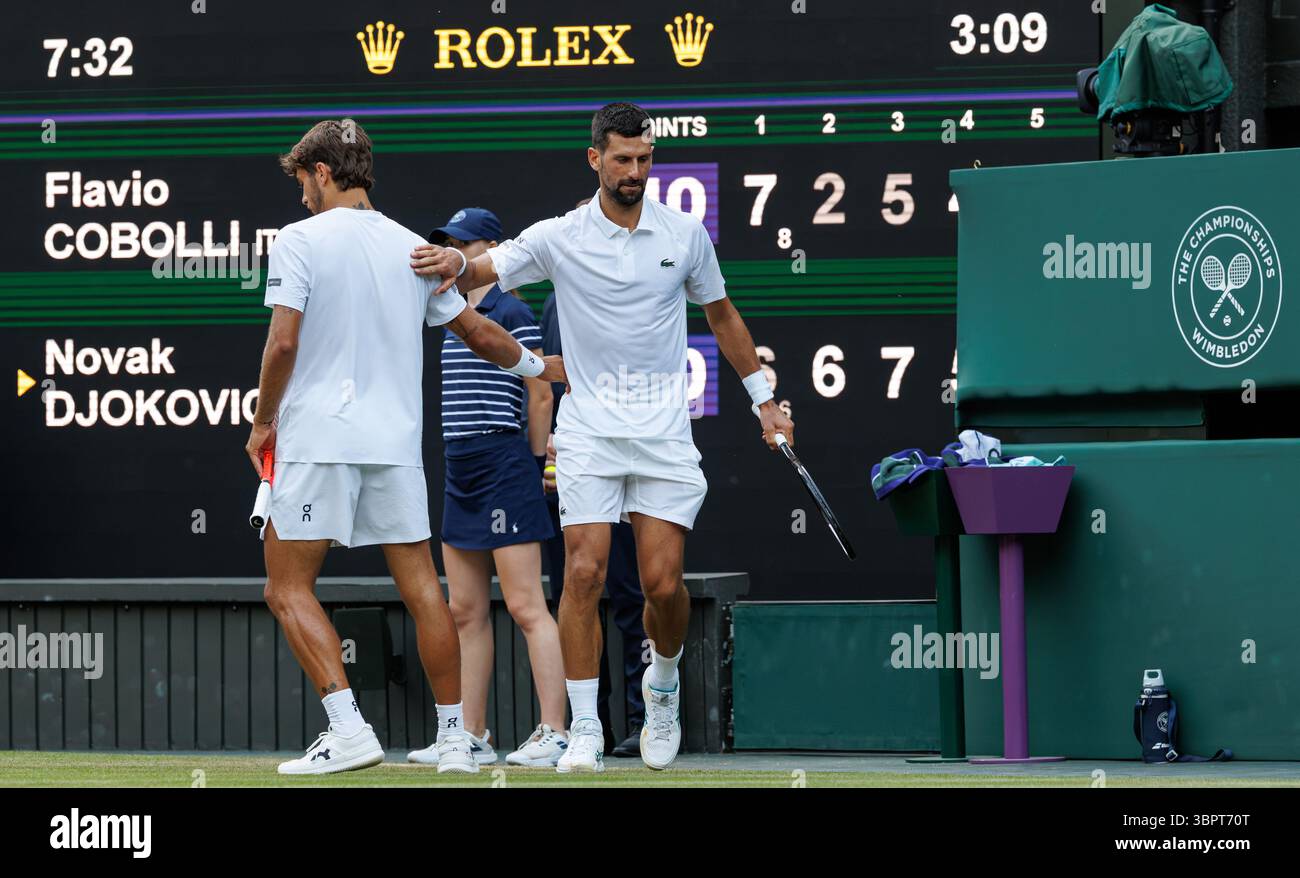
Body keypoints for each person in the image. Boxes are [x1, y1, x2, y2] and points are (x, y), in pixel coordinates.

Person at [411, 102, 795, 773]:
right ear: (595, 159)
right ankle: (583, 727)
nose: (635, 171)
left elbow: (724, 314)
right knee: (583, 572)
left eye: (644, 159)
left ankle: (664, 681)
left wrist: (763, 399)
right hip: (588, 429)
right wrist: (452, 260)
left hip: (662, 432)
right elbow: (484, 268)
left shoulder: (684, 233)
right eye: (622, 159)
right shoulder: (561, 236)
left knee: (662, 584)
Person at [245, 120, 564, 776]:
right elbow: (480, 335)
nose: (302, 194)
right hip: (394, 446)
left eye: (305, 179)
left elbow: (282, 344)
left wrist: (262, 420)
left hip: (320, 440)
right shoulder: (412, 249)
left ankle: (348, 727)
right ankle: (456, 741)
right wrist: (539, 369)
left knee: (285, 587)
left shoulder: (299, 240)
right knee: (424, 588)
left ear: (325, 173)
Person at [405, 207, 569, 769]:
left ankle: (555, 731)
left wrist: (530, 464)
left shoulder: (512, 308)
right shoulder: (447, 310)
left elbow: (541, 390)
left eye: (465, 245)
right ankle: (471, 733)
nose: (454, 254)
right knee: (465, 609)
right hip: (460, 463)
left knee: (526, 605)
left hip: (505, 461)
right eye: (448, 244)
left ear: (492, 249)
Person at [540, 280, 647, 759]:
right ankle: (591, 726)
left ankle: (647, 721)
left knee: (631, 594)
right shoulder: (554, 301)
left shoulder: (638, 293)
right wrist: (552, 458)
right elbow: (553, 384)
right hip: (574, 463)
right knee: (577, 589)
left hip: (631, 459)